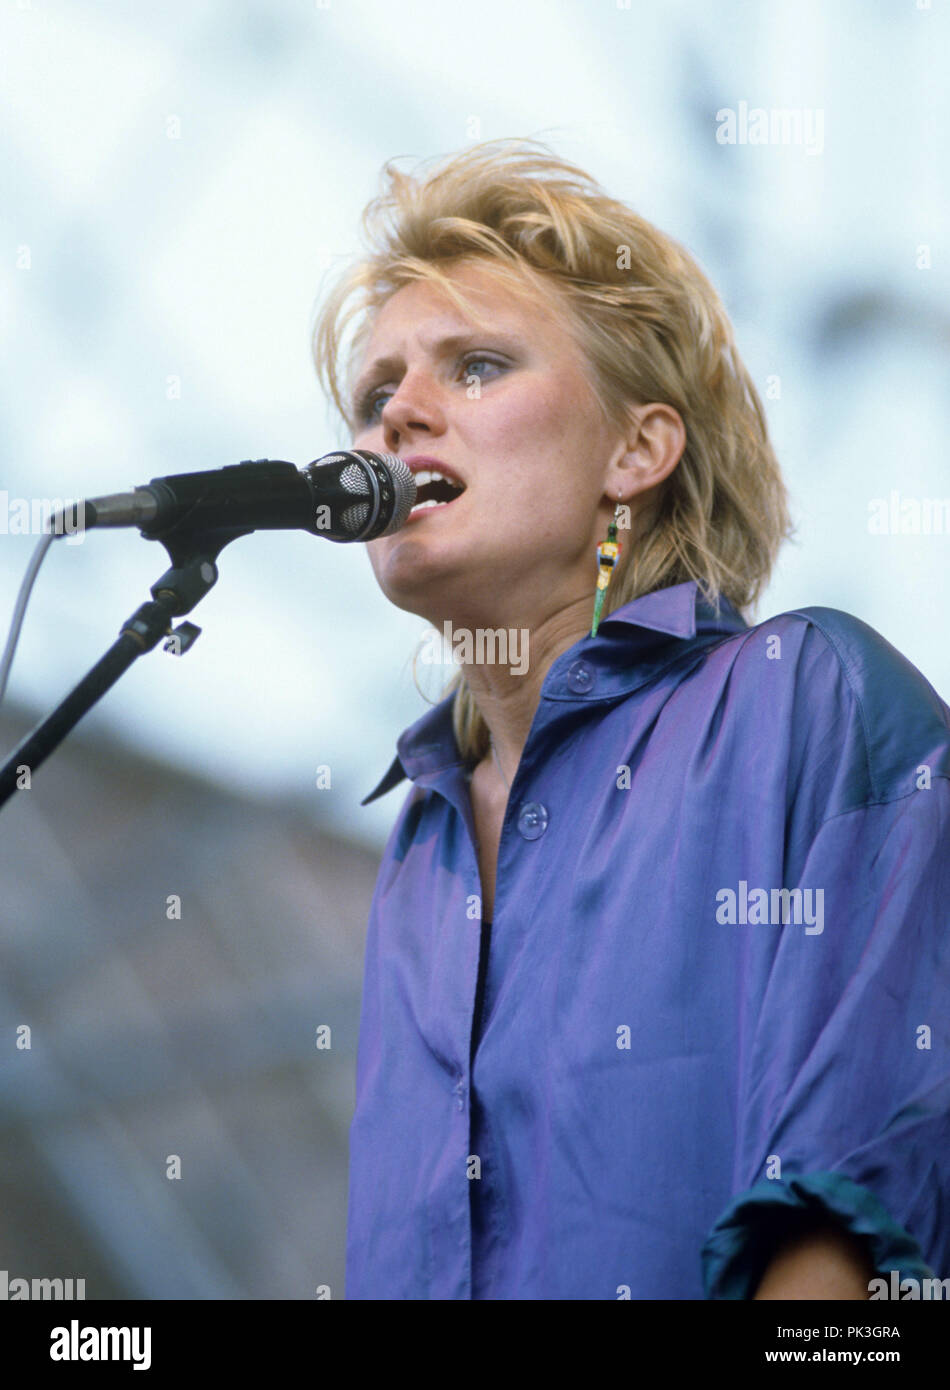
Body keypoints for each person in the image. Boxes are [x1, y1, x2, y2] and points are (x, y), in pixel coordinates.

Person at [311, 138, 950, 1300]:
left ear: (636, 449)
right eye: (374, 392)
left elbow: (859, 1203)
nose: (398, 413)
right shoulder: (418, 846)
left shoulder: (806, 700)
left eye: (476, 366)